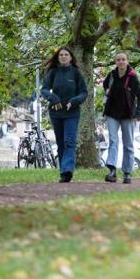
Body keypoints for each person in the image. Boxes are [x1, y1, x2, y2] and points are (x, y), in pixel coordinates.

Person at [40, 46, 87, 182]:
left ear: (71, 57)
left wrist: (74, 101)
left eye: (66, 55)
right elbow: (44, 90)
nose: (63, 57)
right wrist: (53, 98)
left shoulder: (76, 73)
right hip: (56, 113)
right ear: (58, 57)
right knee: (61, 143)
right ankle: (63, 172)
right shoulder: (53, 72)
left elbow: (84, 93)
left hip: (72, 113)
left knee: (69, 141)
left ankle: (67, 170)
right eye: (61, 55)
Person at [102, 52, 140, 184]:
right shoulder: (112, 75)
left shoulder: (132, 76)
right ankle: (112, 170)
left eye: (123, 59)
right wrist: (107, 90)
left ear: (127, 61)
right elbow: (105, 84)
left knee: (128, 144)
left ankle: (127, 173)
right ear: (116, 62)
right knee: (113, 141)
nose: (121, 62)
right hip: (112, 113)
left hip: (128, 114)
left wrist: (138, 113)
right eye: (118, 60)